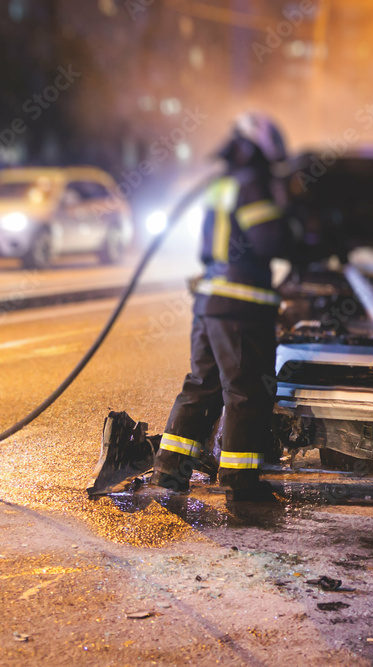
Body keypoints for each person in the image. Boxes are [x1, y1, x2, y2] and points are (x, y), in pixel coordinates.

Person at [151, 112, 290, 502]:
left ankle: (169, 472)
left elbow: (206, 247)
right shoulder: (252, 184)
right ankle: (239, 483)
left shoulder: (223, 184)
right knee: (246, 391)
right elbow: (270, 241)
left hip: (210, 303)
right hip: (241, 308)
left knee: (203, 385)